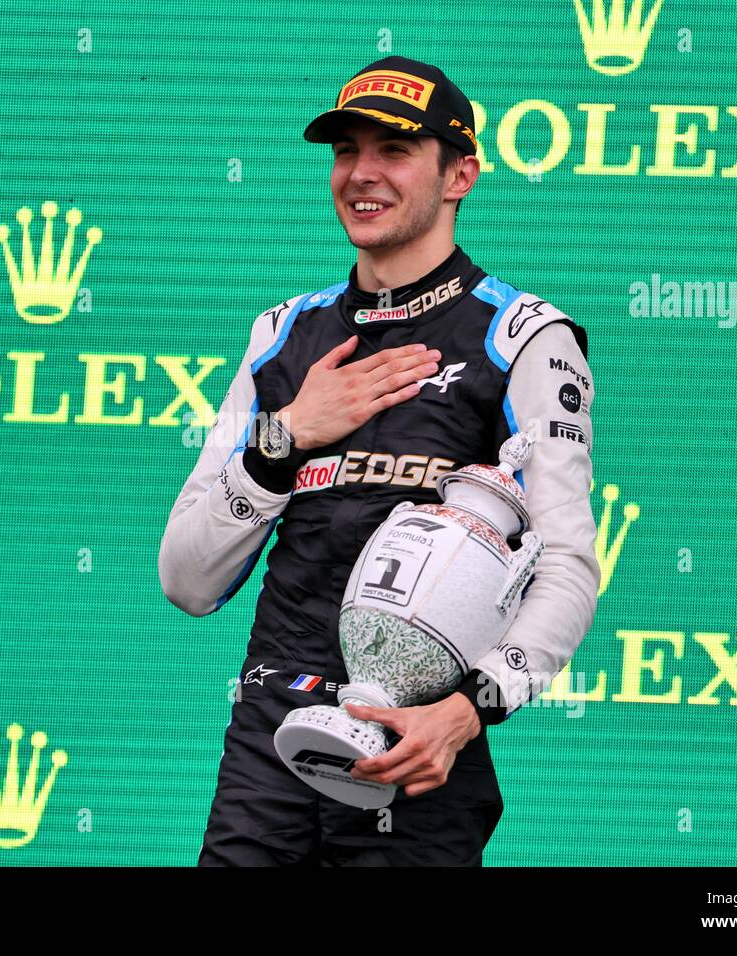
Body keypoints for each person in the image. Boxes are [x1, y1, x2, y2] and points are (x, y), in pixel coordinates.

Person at [158, 55, 600, 866]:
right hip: (270, 736)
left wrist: (465, 712)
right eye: (344, 151)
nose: (361, 175)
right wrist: (286, 436)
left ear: (459, 173)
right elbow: (187, 581)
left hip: (417, 748)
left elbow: (568, 565)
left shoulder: (525, 339)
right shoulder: (284, 334)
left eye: (395, 150)